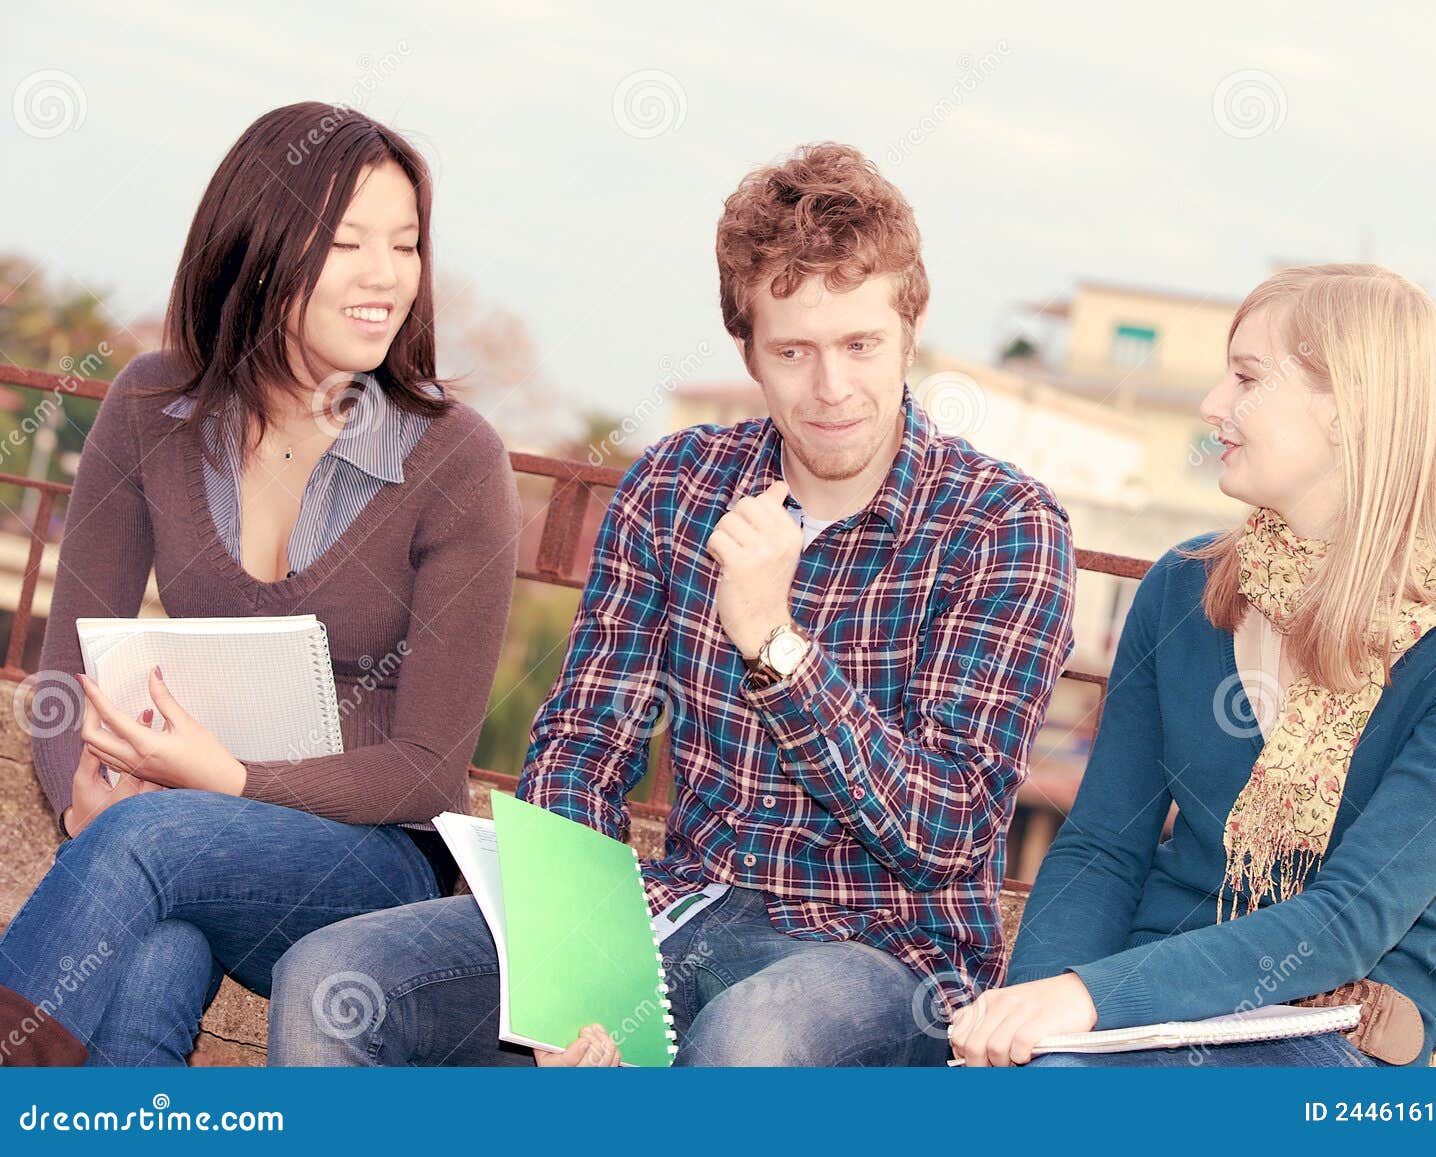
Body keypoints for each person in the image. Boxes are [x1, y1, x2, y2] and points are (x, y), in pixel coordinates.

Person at [266, 142, 1077, 1067]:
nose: (833, 388)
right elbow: (583, 743)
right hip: (672, 908)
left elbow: (949, 831)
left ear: (911, 326)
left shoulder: (1003, 526)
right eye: (794, 351)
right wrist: (573, 970)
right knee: (331, 980)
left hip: (884, 956)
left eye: (861, 344)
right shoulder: (678, 485)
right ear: (748, 351)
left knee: (752, 1039)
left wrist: (777, 646)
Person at [0, 102, 519, 1066]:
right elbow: (65, 668)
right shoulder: (153, 406)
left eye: (404, 244)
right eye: (347, 241)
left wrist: (222, 781)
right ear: (259, 245)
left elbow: (427, 770)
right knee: (157, 944)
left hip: (368, 862)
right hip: (174, 826)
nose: (386, 275)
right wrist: (80, 796)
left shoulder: (456, 460)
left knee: (150, 842)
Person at [950, 264, 1436, 1068]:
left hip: (1333, 1025)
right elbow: (1102, 846)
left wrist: (1086, 1001)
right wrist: (1037, 1009)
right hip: (1143, 993)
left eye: (1247, 377)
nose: (1212, 405)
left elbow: (1350, 918)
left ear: (1347, 406)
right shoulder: (1182, 589)